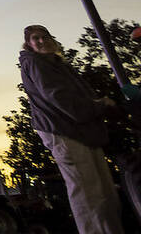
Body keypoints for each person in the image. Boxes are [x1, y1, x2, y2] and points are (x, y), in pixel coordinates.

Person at [21, 23, 122, 234]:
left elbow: (80, 95)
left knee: (106, 192)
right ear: (29, 45)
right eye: (35, 38)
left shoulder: (57, 64)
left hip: (82, 131)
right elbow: (59, 98)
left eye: (45, 36)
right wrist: (99, 106)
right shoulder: (36, 64)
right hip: (63, 132)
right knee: (89, 195)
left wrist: (101, 104)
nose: (41, 40)